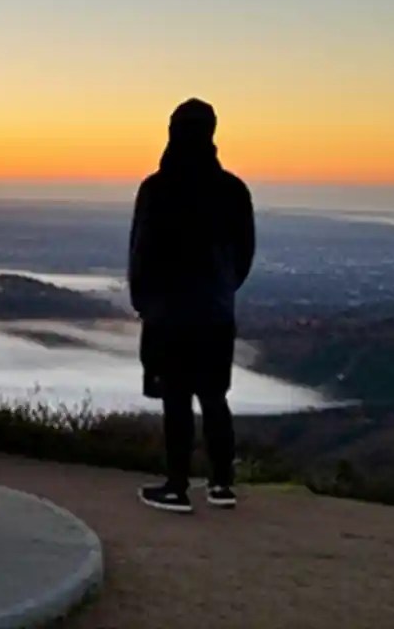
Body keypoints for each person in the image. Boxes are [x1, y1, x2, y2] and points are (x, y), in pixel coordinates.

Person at [129, 98, 255, 513]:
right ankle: (222, 484)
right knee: (215, 397)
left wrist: (143, 300)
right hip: (216, 312)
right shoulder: (233, 190)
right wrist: (222, 290)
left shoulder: (157, 188)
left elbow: (141, 249)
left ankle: (177, 486)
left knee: (176, 399)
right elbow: (244, 253)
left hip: (168, 312)